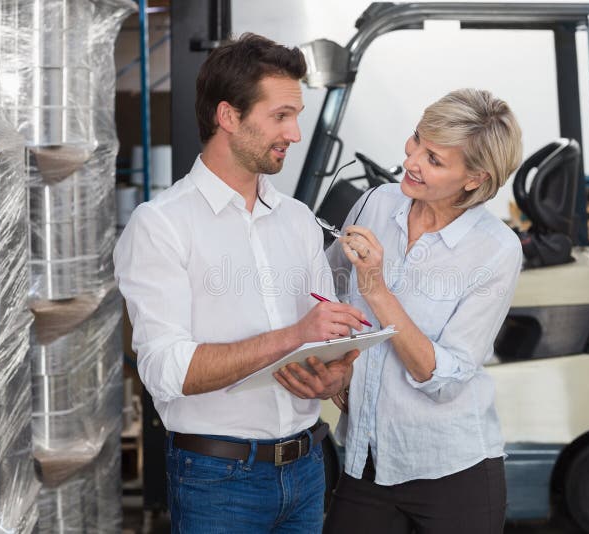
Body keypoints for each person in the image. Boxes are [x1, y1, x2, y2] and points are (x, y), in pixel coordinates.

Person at [113, 33, 367, 533]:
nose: (295, 133)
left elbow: (331, 332)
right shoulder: (160, 225)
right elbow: (165, 369)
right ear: (228, 117)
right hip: (218, 482)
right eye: (280, 116)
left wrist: (338, 376)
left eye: (296, 115)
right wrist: (294, 337)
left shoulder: (296, 220)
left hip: (307, 467)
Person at [277, 88, 523, 533]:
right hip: (366, 460)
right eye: (417, 141)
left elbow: (444, 377)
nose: (411, 160)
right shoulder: (377, 203)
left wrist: (376, 287)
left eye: (434, 159)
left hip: (454, 474)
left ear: (474, 179)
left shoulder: (496, 250)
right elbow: (327, 291)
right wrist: (336, 364)